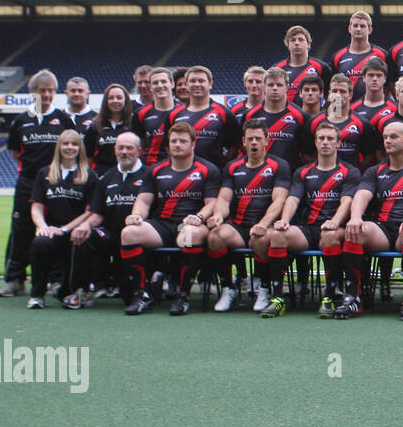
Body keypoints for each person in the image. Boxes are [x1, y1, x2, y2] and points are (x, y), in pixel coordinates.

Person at [120, 122, 222, 316]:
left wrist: (199, 216)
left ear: (193, 144)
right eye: (173, 141)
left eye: (182, 141)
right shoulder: (155, 170)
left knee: (189, 236)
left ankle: (182, 295)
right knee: (129, 233)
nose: (177, 145)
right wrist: (136, 216)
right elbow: (143, 200)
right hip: (162, 225)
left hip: (191, 224)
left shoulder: (207, 169)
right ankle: (143, 293)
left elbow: (212, 203)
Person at [341, 120, 403, 320]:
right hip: (383, 229)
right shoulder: (375, 171)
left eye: (393, 137)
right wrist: (356, 217)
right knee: (355, 231)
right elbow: (362, 195)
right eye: (385, 137)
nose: (388, 141)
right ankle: (352, 298)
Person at [270, 121, 361, 319]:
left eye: (330, 139)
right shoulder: (303, 171)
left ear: (338, 144)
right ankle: (277, 298)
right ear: (315, 143)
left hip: (334, 228)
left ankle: (329, 296)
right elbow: (293, 199)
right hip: (309, 228)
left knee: (329, 236)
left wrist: (335, 221)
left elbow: (347, 202)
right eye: (321, 138)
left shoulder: (349, 171)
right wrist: (284, 220)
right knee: (277, 235)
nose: (325, 142)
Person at [0, 69, 76, 297]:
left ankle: (54, 279)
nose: (46, 95)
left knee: (52, 229)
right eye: (42, 91)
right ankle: (15, 279)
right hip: (27, 182)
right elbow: (16, 152)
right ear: (32, 93)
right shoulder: (21, 121)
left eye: (50, 90)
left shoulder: (63, 119)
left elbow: (72, 149)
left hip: (54, 182)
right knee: (21, 229)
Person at [205, 122, 291, 315]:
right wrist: (218, 215)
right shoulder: (233, 167)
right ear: (243, 142)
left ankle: (262, 287)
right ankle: (228, 288)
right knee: (215, 236)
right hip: (239, 227)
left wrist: (263, 224)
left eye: (258, 138)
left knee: (261, 239)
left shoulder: (279, 165)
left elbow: (279, 201)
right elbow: (224, 199)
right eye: (250, 139)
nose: (254, 142)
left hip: (264, 226)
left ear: (267, 141)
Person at [67, 132, 147, 308]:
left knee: (128, 294)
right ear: (115, 150)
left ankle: (141, 290)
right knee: (84, 236)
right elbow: (98, 213)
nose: (124, 152)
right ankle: (81, 292)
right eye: (120, 148)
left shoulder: (149, 175)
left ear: (139, 151)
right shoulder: (106, 179)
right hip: (110, 234)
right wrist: (85, 225)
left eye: (129, 148)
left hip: (138, 237)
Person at [26, 130, 95, 309]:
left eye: (74, 144)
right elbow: (37, 206)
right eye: (65, 144)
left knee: (83, 243)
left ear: (80, 148)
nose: (69, 148)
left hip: (75, 230)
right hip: (52, 229)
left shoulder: (89, 175)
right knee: (40, 243)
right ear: (59, 147)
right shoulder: (45, 173)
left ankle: (77, 290)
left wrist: (65, 229)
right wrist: (43, 227)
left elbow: (90, 211)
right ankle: (37, 295)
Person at [241, 67, 310, 167]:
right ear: (264, 86)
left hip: (289, 176)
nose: (275, 88)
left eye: (279, 85)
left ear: (287, 87)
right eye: (270, 85)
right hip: (257, 175)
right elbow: (243, 146)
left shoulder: (300, 116)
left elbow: (306, 152)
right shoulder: (250, 115)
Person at [310, 74, 378, 172]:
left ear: (350, 95)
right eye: (334, 91)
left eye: (342, 91)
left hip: (352, 179)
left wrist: (354, 172)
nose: (338, 95)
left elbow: (370, 157)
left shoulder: (362, 124)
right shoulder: (315, 122)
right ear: (329, 94)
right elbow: (306, 153)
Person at [171, 65, 237, 166]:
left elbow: (234, 146)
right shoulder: (175, 114)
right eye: (192, 81)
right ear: (187, 84)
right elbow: (168, 145)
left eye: (201, 81)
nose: (197, 84)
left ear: (210, 84)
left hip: (213, 176)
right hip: (182, 175)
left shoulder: (223, 113)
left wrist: (222, 165)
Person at [330, 10, 389, 101]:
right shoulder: (338, 57)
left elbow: (388, 85)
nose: (358, 29)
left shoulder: (382, 55)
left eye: (362, 26)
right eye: (355, 25)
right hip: (346, 111)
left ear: (370, 30)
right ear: (349, 29)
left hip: (373, 110)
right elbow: (334, 88)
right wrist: (337, 112)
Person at [132, 67, 184, 167]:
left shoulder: (185, 111)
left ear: (172, 84)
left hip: (179, 167)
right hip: (150, 168)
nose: (160, 85)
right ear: (151, 87)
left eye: (163, 81)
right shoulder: (140, 113)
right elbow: (138, 144)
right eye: (155, 83)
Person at [85, 83, 132, 176]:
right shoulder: (95, 125)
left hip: (128, 175)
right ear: (106, 101)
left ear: (126, 100)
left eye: (119, 97)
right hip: (101, 176)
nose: (115, 101)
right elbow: (88, 157)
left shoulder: (133, 123)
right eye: (111, 98)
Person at [274, 24, 332, 96]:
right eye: (293, 40)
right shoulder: (277, 69)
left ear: (308, 44)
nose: (297, 43)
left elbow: (329, 94)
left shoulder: (321, 67)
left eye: (301, 40)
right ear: (288, 44)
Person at [350, 56, 396, 127]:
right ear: (364, 78)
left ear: (385, 79)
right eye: (371, 75)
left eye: (379, 75)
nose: (374, 79)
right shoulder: (352, 109)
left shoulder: (396, 109)